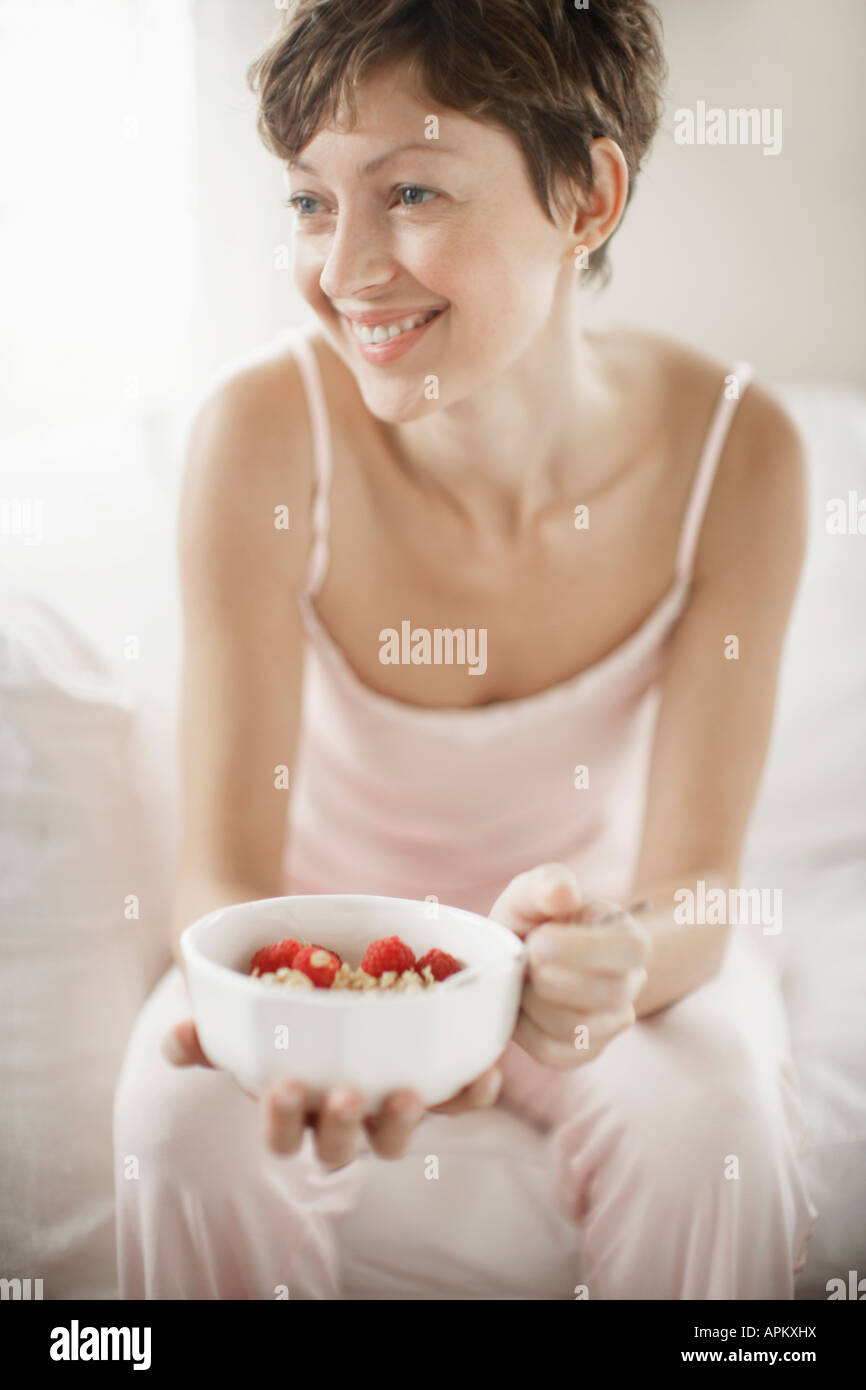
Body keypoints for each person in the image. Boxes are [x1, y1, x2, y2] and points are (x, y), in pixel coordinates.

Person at [114, 0, 818, 1299]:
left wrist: (609, 962)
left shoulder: (738, 452)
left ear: (586, 195)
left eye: (413, 192)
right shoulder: (262, 433)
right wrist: (303, 1011)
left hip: (589, 947)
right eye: (312, 203)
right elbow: (220, 878)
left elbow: (697, 894)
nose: (344, 267)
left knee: (711, 1112)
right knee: (183, 1123)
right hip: (311, 942)